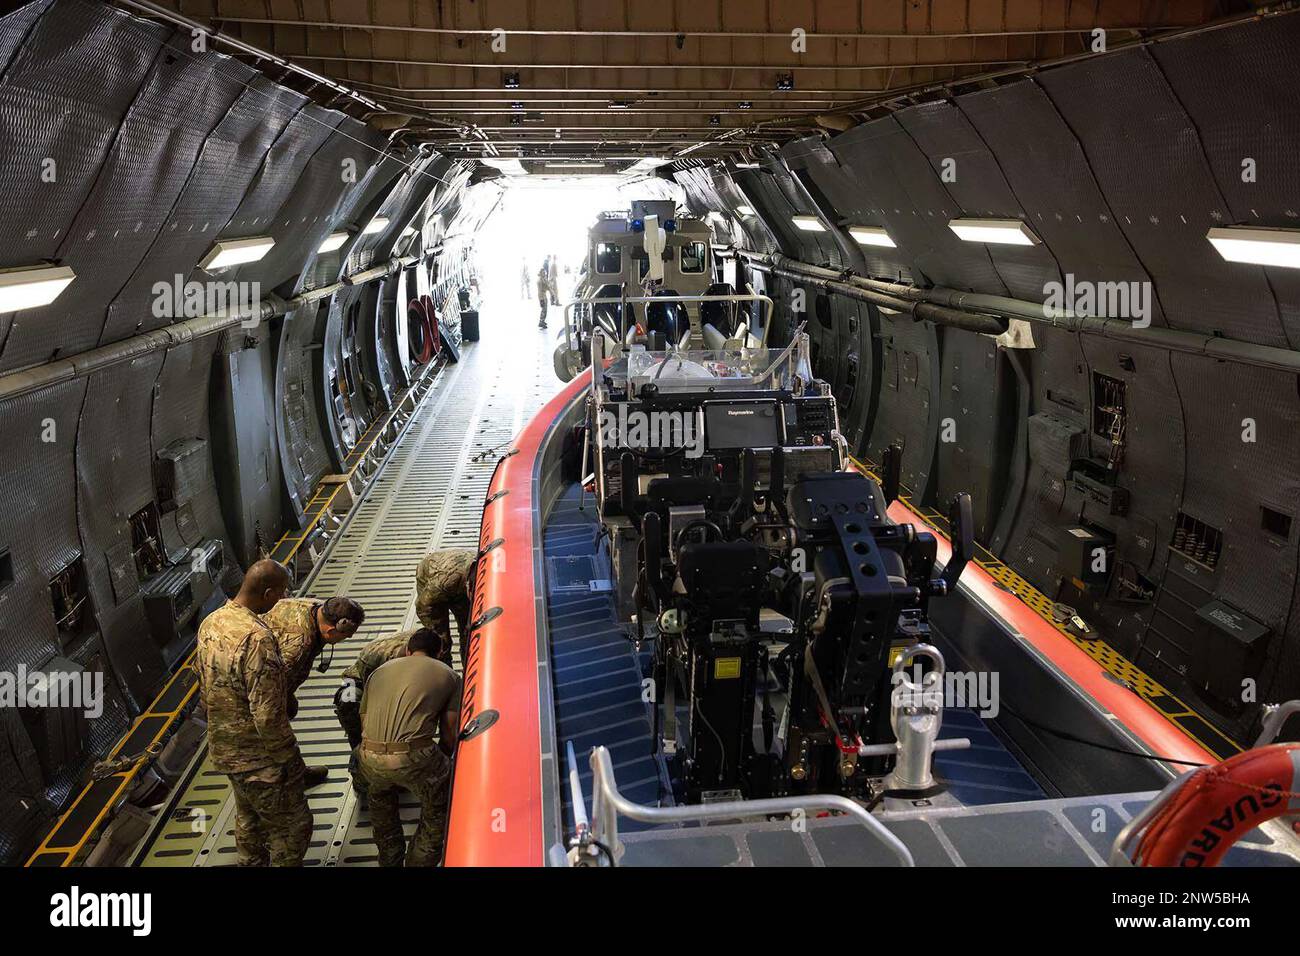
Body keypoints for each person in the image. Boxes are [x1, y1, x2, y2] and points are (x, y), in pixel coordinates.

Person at [195, 559, 312, 867]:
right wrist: (290, 758)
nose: (283, 599)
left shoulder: (212, 622)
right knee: (293, 828)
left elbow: (203, 686)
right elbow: (267, 714)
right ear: (268, 593)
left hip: (226, 749)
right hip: (260, 758)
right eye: (281, 593)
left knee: (249, 818)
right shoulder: (257, 638)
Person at [356, 628, 461, 867]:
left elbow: (364, 720)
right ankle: (419, 862)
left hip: (369, 756)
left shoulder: (378, 672)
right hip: (414, 757)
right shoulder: (449, 675)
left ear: (407, 650)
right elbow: (449, 733)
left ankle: (389, 860)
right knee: (438, 807)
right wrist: (441, 762)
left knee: (381, 805)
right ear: (440, 652)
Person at [263, 595, 366, 788]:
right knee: (277, 730)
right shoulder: (298, 647)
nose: (349, 638)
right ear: (330, 631)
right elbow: (271, 689)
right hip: (262, 685)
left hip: (269, 663)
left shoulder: (315, 607)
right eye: (345, 636)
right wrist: (286, 701)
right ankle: (292, 777)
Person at [415, 549, 477, 665]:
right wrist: (440, 636)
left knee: (468, 632)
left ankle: (467, 665)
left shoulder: (485, 571)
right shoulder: (443, 583)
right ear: (468, 588)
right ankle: (444, 670)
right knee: (440, 643)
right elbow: (423, 607)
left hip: (458, 583)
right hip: (432, 580)